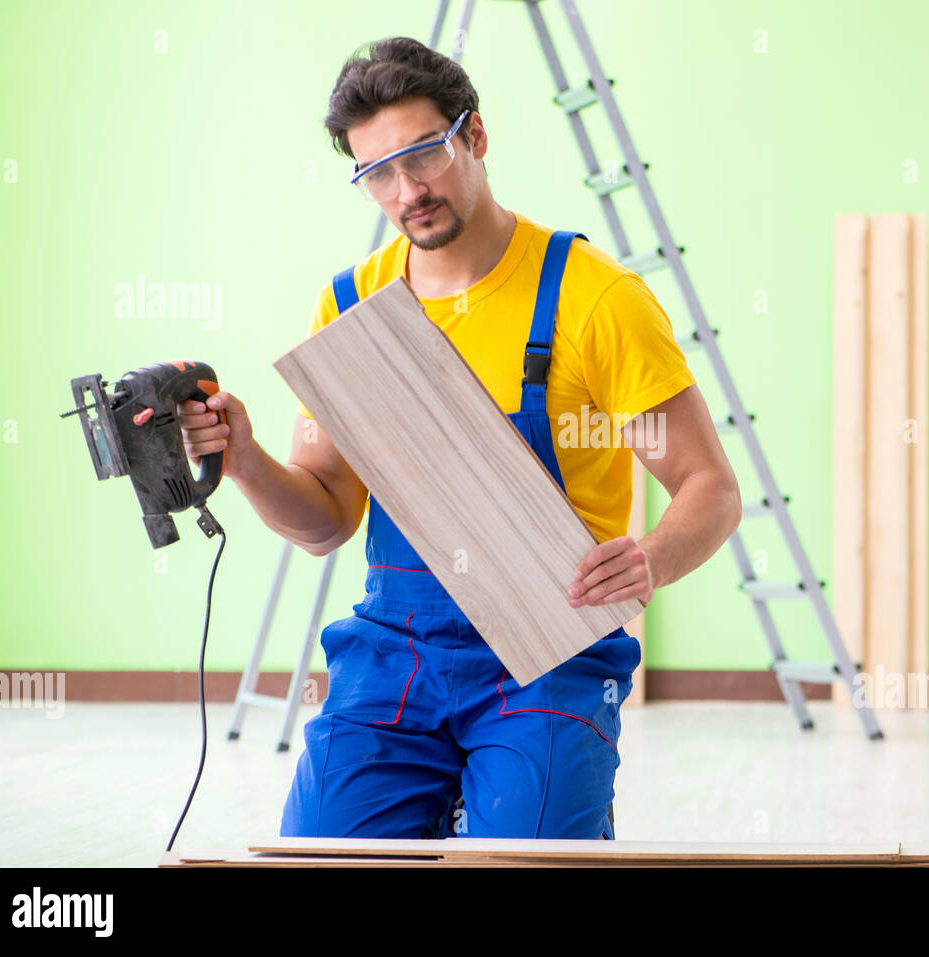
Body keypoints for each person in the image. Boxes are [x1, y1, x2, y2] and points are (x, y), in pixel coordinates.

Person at [178, 36, 741, 840]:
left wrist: (651, 555)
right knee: (320, 856)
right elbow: (327, 519)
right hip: (393, 649)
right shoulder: (351, 308)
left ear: (473, 136)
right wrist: (243, 459)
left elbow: (710, 488)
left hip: (551, 652)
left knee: (531, 855)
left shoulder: (593, 297)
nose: (407, 190)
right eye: (377, 171)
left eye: (423, 155)